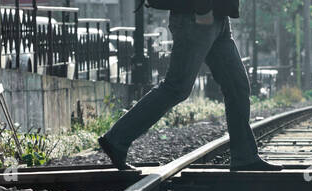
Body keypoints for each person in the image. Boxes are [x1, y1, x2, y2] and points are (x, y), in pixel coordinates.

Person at [98, 1, 279, 172]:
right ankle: (116, 139)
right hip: (197, 17)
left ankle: (244, 157)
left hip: (219, 18)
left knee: (237, 86)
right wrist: (203, 9)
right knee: (176, 87)